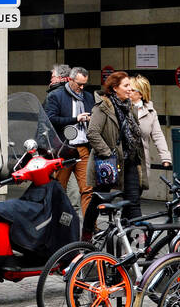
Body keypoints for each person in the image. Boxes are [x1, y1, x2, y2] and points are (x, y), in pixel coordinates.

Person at [82, 71, 146, 238]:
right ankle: (86, 236)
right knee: (97, 200)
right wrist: (108, 153)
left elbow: (135, 133)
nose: (130, 89)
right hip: (108, 163)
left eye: (130, 86)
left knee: (133, 203)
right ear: (114, 88)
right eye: (126, 86)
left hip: (129, 161)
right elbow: (93, 133)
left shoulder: (130, 107)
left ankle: (139, 245)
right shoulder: (103, 107)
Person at [45, 66, 94, 219]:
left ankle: (89, 228)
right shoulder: (56, 96)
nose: (81, 87)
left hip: (83, 148)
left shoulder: (88, 97)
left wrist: (92, 120)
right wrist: (75, 119)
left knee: (87, 190)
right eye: (79, 84)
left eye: (84, 84)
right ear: (70, 80)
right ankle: (56, 224)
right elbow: (50, 119)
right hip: (64, 149)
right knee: (59, 188)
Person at [130, 75, 173, 191]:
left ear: (141, 94)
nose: (129, 92)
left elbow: (158, 135)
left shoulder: (150, 112)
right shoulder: (122, 108)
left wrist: (165, 157)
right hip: (124, 158)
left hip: (141, 159)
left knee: (136, 193)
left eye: (133, 90)